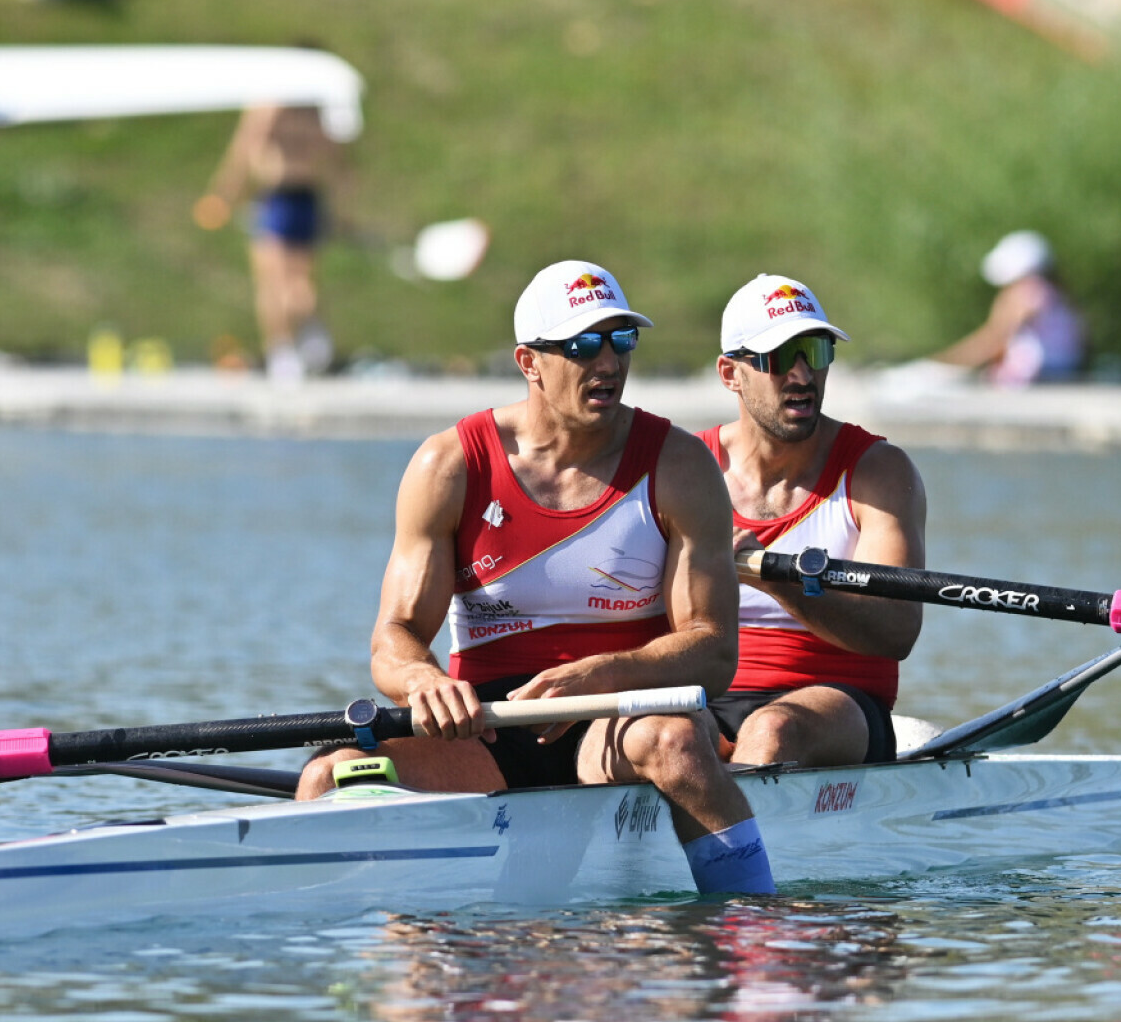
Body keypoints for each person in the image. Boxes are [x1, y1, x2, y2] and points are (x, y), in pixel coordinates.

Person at [296, 260, 776, 895]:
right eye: (583, 345)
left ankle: (750, 920)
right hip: (489, 727)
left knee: (676, 743)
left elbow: (713, 652)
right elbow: (395, 638)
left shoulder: (679, 466)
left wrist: (599, 674)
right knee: (329, 775)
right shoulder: (450, 465)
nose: (608, 361)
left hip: (617, 720)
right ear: (529, 363)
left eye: (622, 339)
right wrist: (423, 681)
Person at [703, 274, 927, 767]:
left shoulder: (877, 473)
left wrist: (773, 577)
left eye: (815, 351)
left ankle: (725, 804)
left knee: (772, 731)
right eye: (781, 356)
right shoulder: (688, 469)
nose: (803, 375)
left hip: (835, 703)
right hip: (705, 698)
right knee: (641, 738)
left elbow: (897, 629)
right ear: (730, 373)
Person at [195, 100, 349, 382]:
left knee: (274, 282)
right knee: (300, 280)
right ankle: (305, 338)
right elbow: (334, 152)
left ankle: (284, 347)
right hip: (307, 194)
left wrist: (224, 192)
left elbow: (246, 146)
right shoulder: (313, 107)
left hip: (279, 197)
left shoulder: (270, 104)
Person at [934, 230, 1084, 387]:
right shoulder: (1058, 294)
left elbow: (995, 338)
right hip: (1065, 371)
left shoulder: (1026, 292)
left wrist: (944, 365)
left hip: (1037, 375)